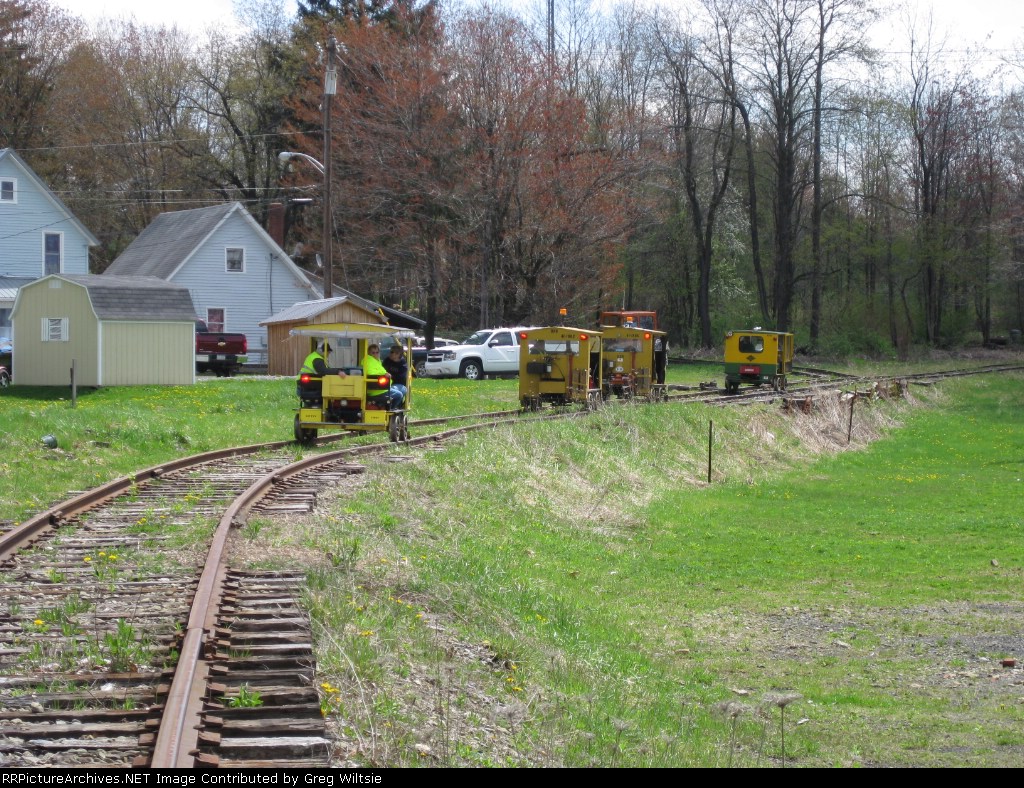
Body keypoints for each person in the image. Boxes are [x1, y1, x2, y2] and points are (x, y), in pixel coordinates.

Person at [362, 343, 404, 409]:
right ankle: (390, 409)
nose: (375, 354)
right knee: (400, 394)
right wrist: (385, 374)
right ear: (369, 353)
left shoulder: (376, 361)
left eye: (377, 352)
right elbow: (370, 373)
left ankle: (386, 406)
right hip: (378, 390)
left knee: (402, 389)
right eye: (373, 353)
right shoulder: (369, 361)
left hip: (382, 388)